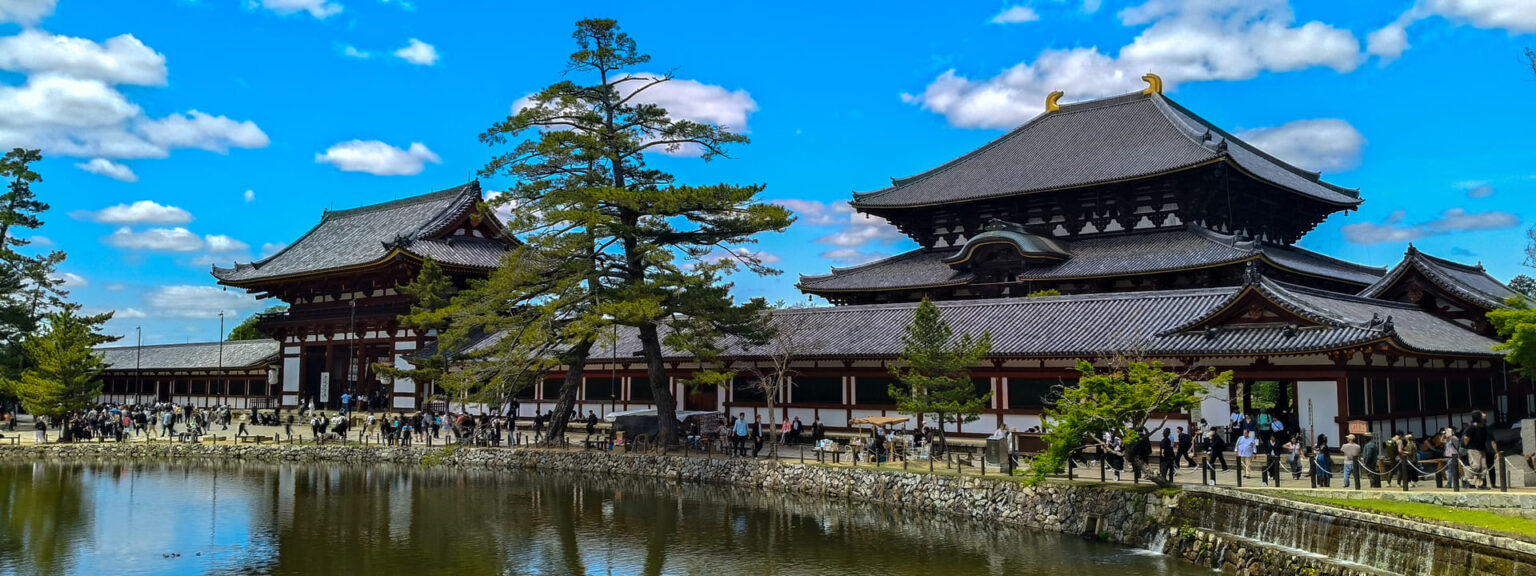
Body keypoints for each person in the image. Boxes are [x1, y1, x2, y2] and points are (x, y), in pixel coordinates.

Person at [1464, 414, 1491, 490]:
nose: (1484, 419)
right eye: (1483, 418)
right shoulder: (1472, 427)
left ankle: (1481, 484)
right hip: (1473, 448)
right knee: (1476, 466)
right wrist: (1468, 446)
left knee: (1483, 467)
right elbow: (1466, 438)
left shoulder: (1484, 428)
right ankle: (1467, 479)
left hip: (1482, 449)